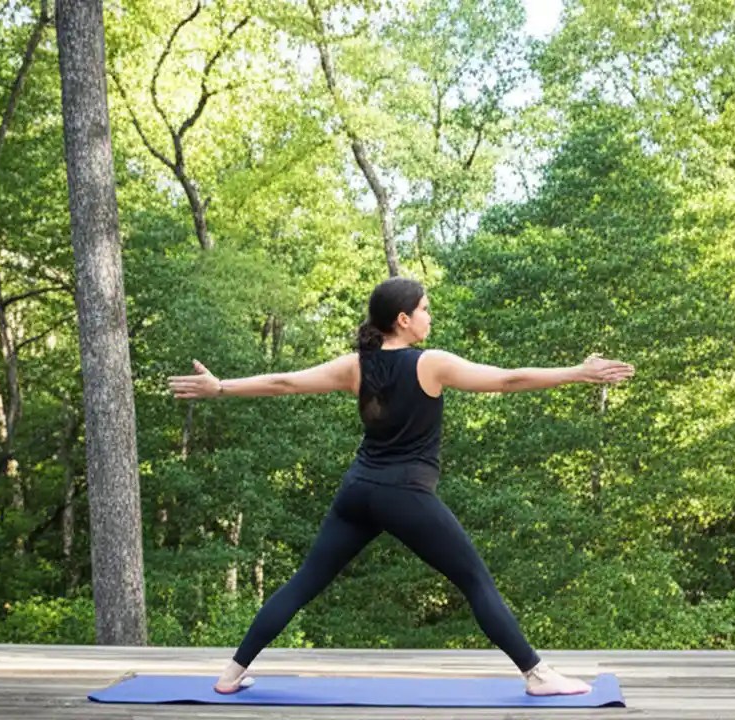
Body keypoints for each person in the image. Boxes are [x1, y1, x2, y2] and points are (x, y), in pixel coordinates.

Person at [167, 276, 635, 696]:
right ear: (404, 319)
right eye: (426, 309)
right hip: (404, 494)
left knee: (306, 580)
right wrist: (577, 372)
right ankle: (537, 675)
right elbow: (506, 380)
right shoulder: (430, 364)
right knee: (474, 580)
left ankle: (230, 674)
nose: (431, 317)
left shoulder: (357, 365)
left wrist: (221, 386)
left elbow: (285, 382)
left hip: (359, 491)